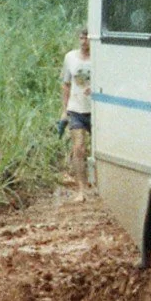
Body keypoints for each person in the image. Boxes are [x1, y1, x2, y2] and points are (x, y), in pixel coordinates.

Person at [59, 28, 93, 201]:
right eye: (81, 37)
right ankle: (81, 190)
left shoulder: (100, 58)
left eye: (87, 38)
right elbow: (65, 84)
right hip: (76, 109)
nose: (84, 41)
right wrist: (64, 111)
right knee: (78, 148)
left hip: (95, 110)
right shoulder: (70, 58)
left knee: (98, 150)